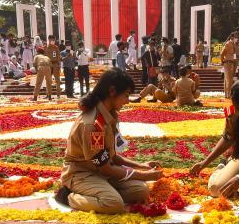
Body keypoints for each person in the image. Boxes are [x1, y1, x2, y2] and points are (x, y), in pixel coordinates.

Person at [56, 69, 161, 213]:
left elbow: (112, 157)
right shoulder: (93, 124)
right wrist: (143, 175)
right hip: (82, 174)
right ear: (112, 91)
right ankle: (67, 196)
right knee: (113, 203)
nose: (127, 100)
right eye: (125, 95)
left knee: (141, 191)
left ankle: (104, 192)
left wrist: (141, 165)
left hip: (101, 172)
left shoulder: (108, 115)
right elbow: (105, 167)